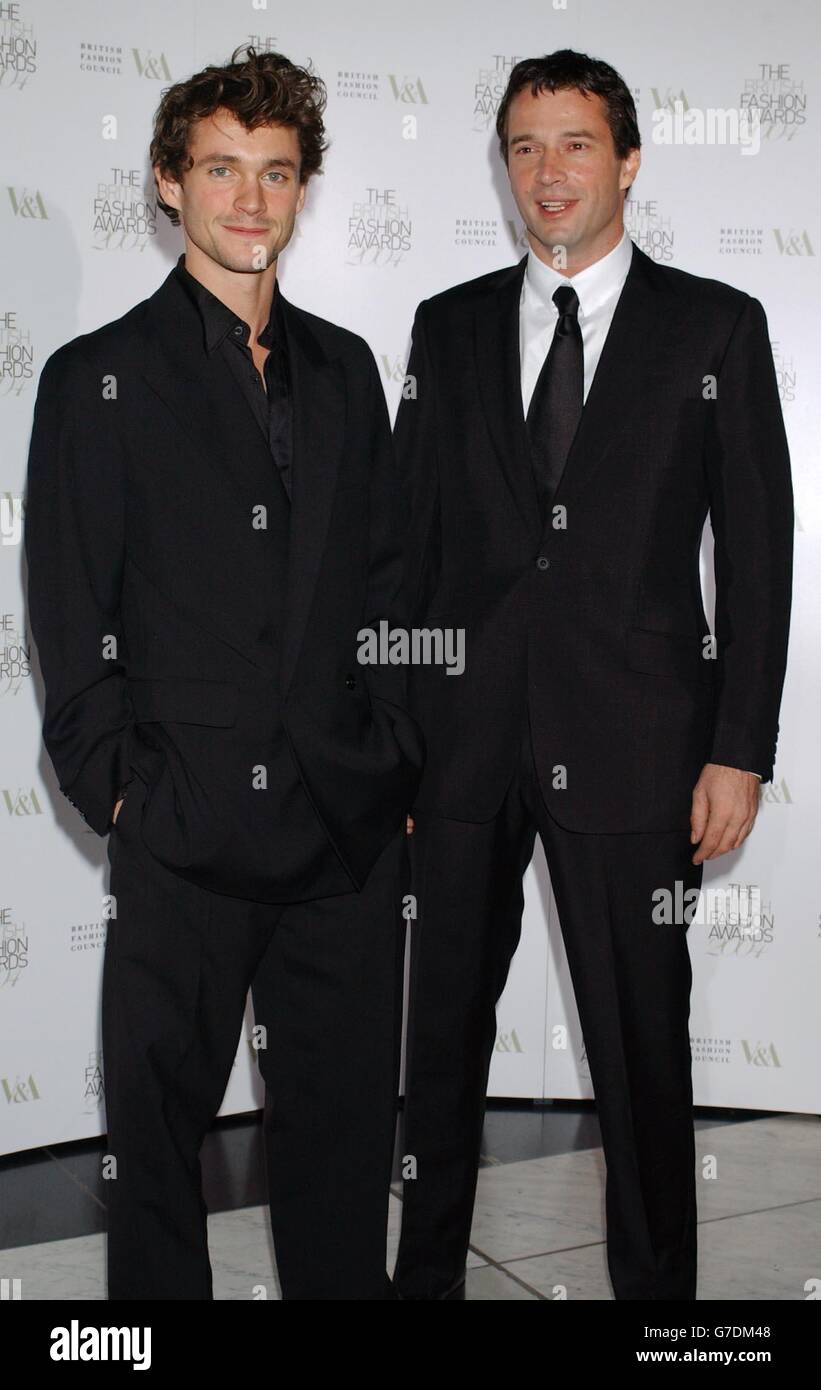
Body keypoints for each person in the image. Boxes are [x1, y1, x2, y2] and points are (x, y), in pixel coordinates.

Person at [392, 48, 793, 1300]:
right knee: (437, 1048)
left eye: (572, 143)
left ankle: (657, 1310)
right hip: (461, 752)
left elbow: (761, 552)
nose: (545, 171)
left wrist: (739, 746)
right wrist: (400, 737)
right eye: (521, 145)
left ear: (625, 160)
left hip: (637, 747)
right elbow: (405, 553)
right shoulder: (446, 327)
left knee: (639, 1054)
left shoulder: (715, 324)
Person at [24, 45, 422, 1301]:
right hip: (183, 828)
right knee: (155, 1157)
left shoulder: (351, 370)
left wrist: (396, 760)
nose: (249, 199)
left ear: (302, 190)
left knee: (344, 1150)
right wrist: (123, 792)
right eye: (219, 170)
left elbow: (391, 587)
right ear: (165, 183)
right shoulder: (96, 377)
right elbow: (68, 610)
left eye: (276, 172)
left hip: (345, 840)